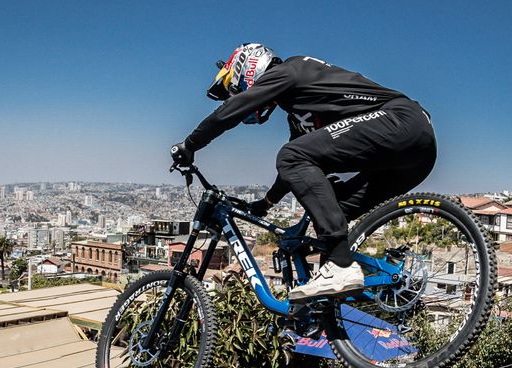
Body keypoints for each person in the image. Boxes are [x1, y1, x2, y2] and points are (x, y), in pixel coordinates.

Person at [171, 43, 436, 302]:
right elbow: (296, 164)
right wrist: (266, 203)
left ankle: (341, 265)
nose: (242, 94)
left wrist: (190, 145)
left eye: (238, 88)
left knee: (290, 157)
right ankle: (336, 305)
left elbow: (232, 113)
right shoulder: (300, 114)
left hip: (400, 120)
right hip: (417, 155)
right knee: (335, 212)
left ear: (248, 67)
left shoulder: (288, 70)